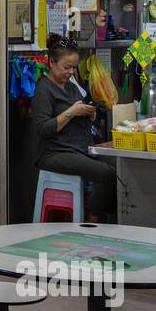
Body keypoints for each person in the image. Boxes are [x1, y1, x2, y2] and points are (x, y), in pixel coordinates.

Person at [31, 33, 116, 222]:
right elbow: (43, 129)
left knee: (121, 165)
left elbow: (81, 120)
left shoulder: (71, 87)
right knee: (106, 173)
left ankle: (109, 216)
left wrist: (90, 114)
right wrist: (70, 112)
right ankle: (92, 218)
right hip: (54, 153)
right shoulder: (43, 90)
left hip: (78, 147)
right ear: (51, 63)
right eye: (66, 67)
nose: (70, 72)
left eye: (73, 68)